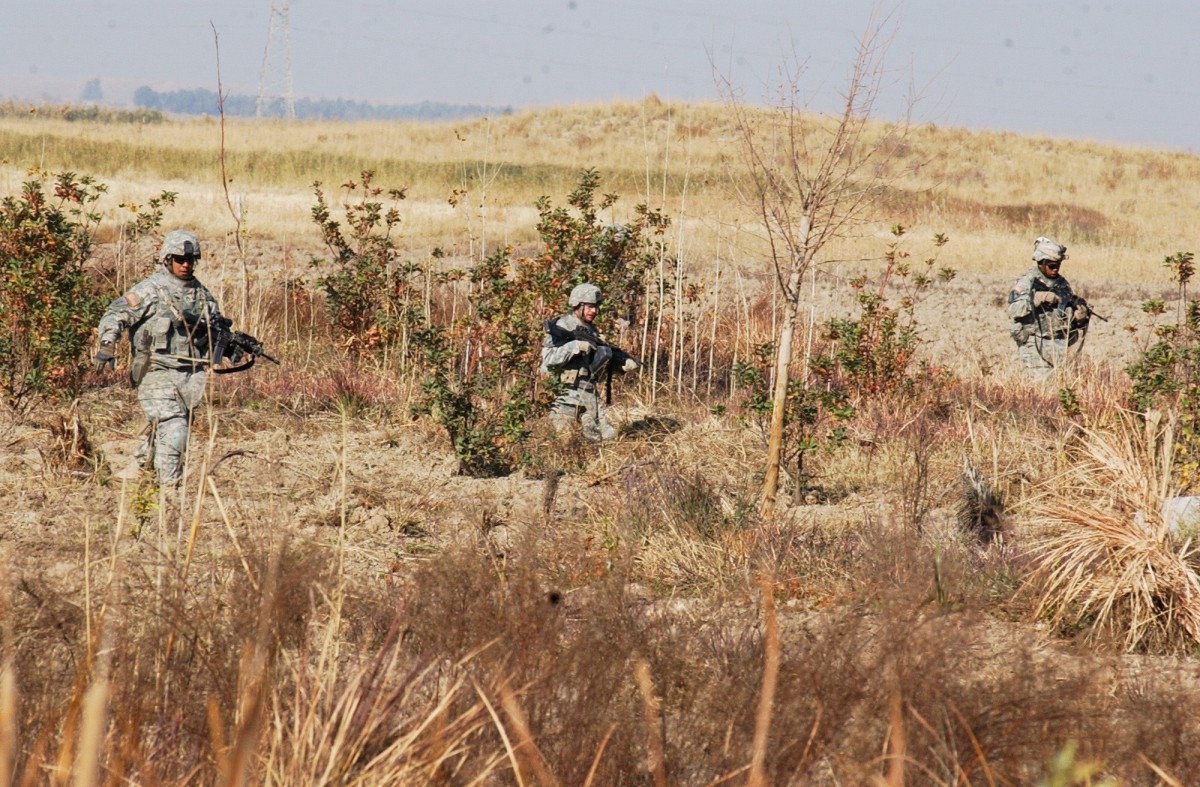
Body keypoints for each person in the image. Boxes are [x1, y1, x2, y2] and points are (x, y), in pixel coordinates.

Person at [94, 229, 230, 484]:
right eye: (180, 259)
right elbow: (116, 314)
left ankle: (138, 470)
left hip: (191, 375)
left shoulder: (203, 296)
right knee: (176, 428)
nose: (186, 264)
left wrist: (230, 346)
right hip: (154, 370)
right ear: (167, 259)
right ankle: (171, 489)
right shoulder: (151, 290)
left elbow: (216, 329)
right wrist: (107, 343)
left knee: (167, 427)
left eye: (191, 259)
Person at [541, 283, 639, 441]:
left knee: (602, 438)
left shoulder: (591, 330)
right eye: (590, 307)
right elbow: (548, 359)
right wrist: (574, 346)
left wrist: (621, 363)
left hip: (588, 396)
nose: (594, 311)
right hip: (564, 398)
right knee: (563, 442)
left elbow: (595, 361)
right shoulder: (562, 326)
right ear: (578, 305)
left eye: (596, 307)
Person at [1006, 236, 1091, 381]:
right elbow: (1014, 309)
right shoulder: (1028, 281)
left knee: (1058, 384)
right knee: (1042, 385)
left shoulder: (1061, 283)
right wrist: (1037, 298)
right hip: (1034, 342)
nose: (1055, 269)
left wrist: (1079, 318)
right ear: (1041, 263)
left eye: (1058, 265)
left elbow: (1064, 314)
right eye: (1051, 266)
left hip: (1058, 343)